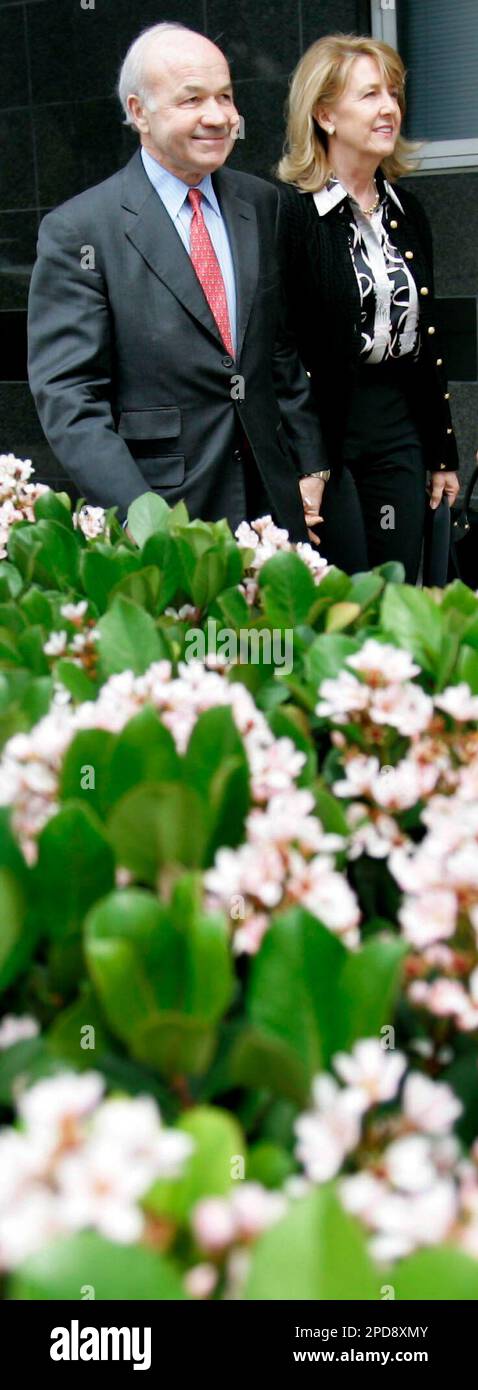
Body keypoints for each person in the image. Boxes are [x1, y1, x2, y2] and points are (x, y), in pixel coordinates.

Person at [27, 24, 326, 540]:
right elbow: (70, 397)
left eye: (226, 97)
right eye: (192, 100)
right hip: (163, 508)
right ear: (139, 112)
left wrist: (309, 463)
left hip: (272, 505)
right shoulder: (80, 230)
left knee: (271, 627)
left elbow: (278, 348)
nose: (218, 117)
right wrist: (143, 516)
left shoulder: (261, 203)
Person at [277, 33, 460, 581]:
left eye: (394, 94)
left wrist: (442, 451)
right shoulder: (291, 214)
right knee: (345, 586)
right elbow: (278, 345)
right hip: (327, 425)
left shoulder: (407, 210)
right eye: (370, 95)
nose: (389, 108)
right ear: (326, 114)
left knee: (397, 582)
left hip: (398, 424)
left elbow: (426, 342)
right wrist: (308, 461)